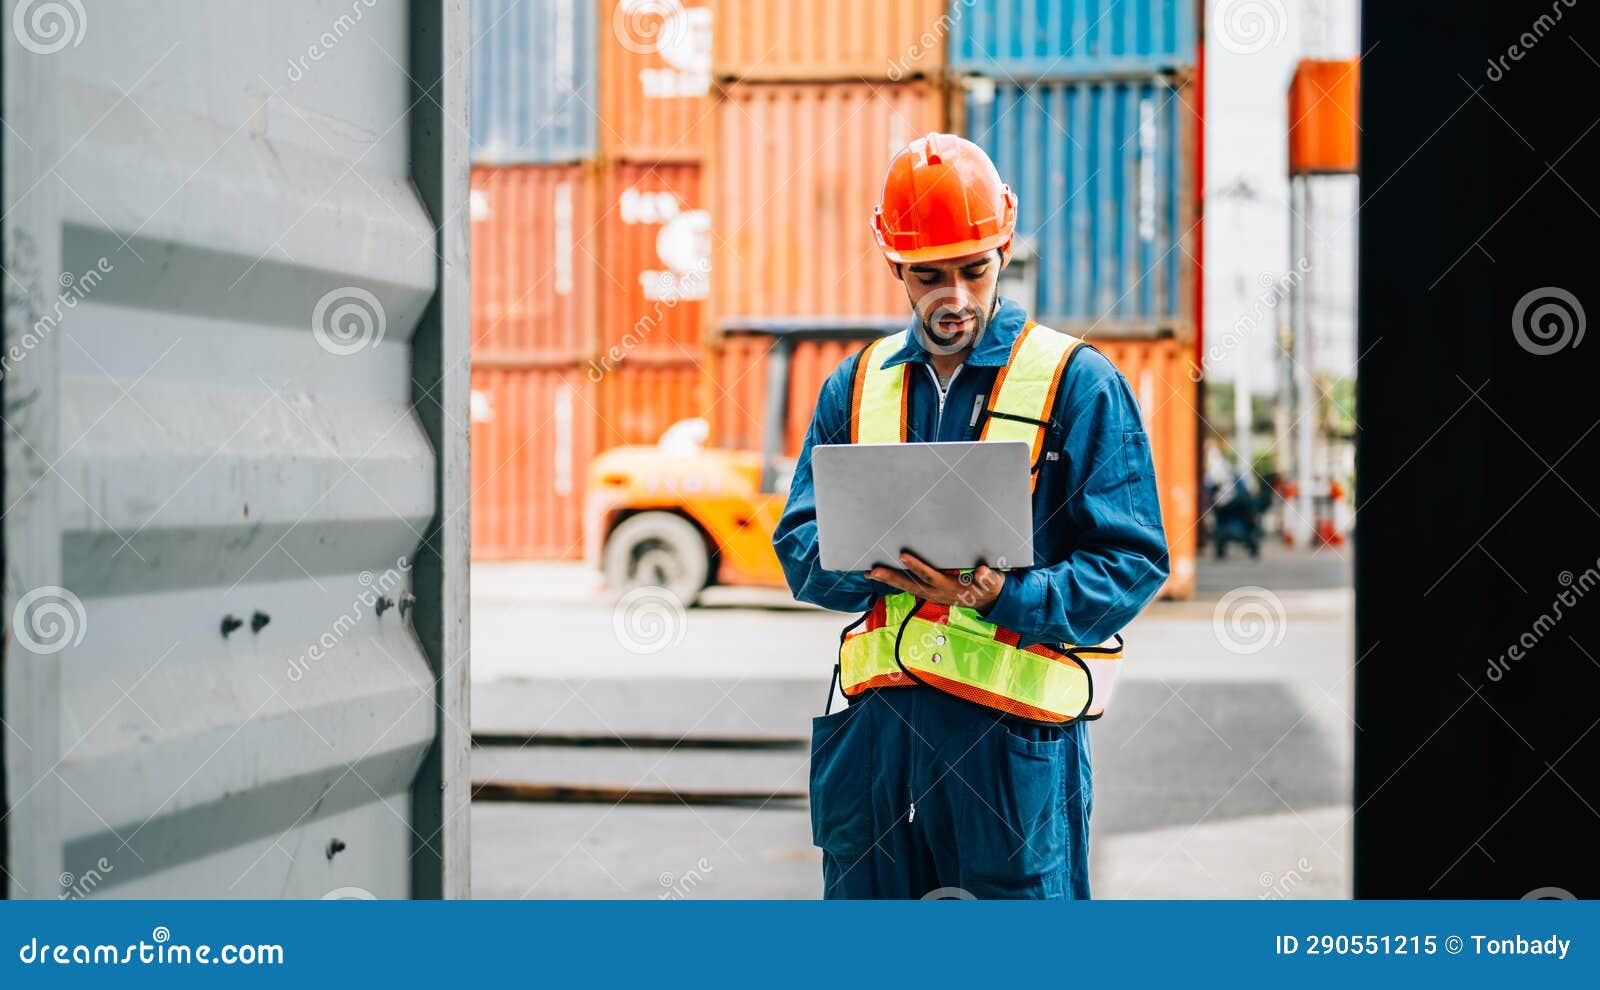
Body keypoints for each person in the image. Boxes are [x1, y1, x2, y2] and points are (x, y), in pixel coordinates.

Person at [772, 134, 1170, 899]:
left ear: (1005, 249)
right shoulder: (853, 390)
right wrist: (858, 566)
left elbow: (1130, 560)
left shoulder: (1077, 384)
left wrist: (1004, 597)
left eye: (973, 268)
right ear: (895, 266)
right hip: (877, 747)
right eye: (929, 275)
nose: (953, 294)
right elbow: (799, 544)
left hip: (1009, 748)